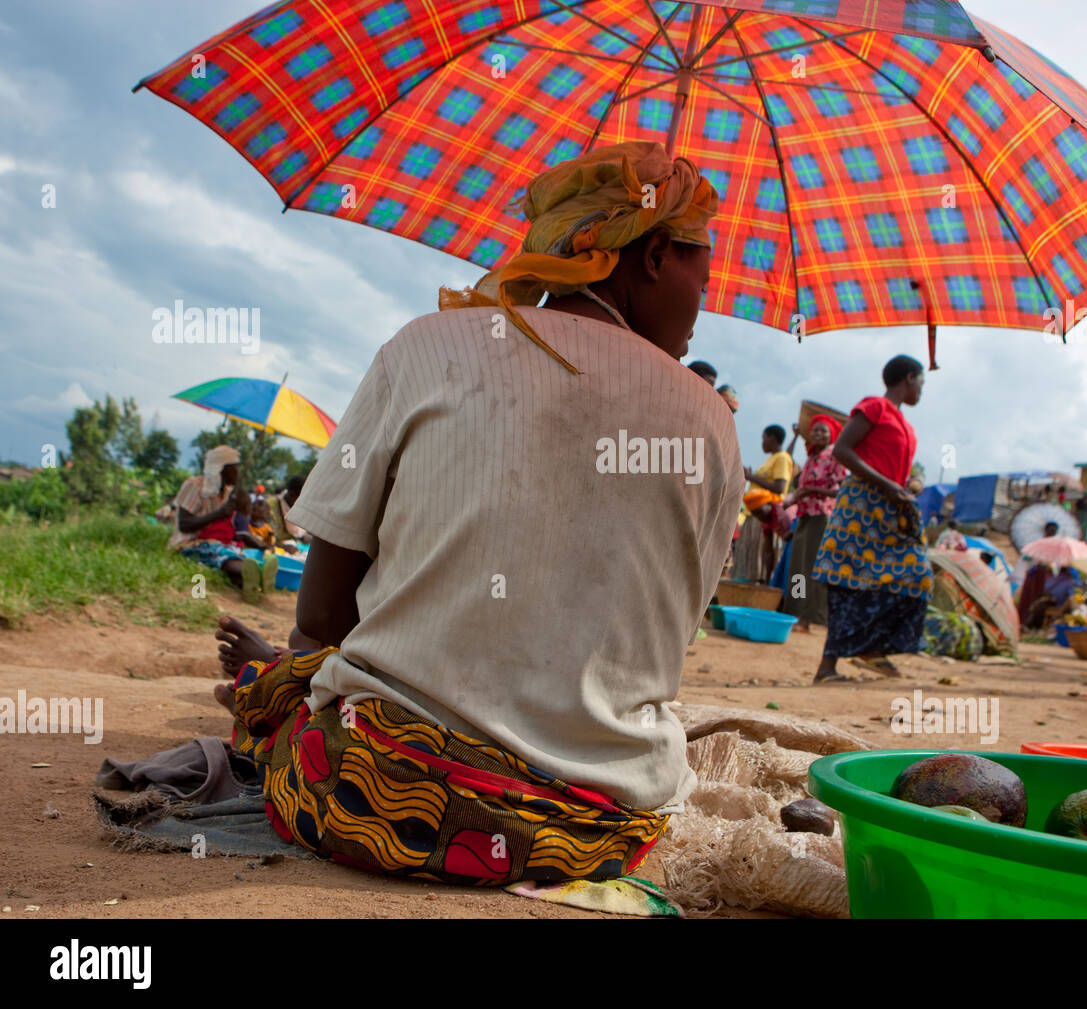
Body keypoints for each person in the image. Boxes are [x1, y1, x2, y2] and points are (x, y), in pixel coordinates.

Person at [214, 141, 743, 886]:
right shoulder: (713, 422)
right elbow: (662, 640)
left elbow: (325, 615)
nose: (703, 303)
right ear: (654, 254)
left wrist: (297, 671)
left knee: (284, 688)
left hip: (372, 794)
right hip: (596, 830)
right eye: (703, 274)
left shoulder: (425, 348)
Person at [811, 355, 931, 683]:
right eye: (921, 380)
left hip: (892, 510)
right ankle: (827, 667)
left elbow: (894, 468)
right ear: (909, 377)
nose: (922, 388)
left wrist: (908, 485)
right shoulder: (875, 407)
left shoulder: (906, 426)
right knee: (848, 581)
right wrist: (889, 484)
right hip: (861, 507)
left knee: (915, 576)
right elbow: (843, 450)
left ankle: (873, 649)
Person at [781, 414, 847, 631]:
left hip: (822, 516)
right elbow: (793, 470)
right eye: (815, 430)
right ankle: (795, 612)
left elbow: (841, 488)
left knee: (811, 567)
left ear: (832, 435)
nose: (818, 434)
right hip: (804, 515)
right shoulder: (811, 458)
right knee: (798, 568)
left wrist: (814, 490)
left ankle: (808, 618)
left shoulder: (834, 456)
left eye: (823, 431)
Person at [170, 445, 249, 592]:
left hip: (212, 542)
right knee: (221, 554)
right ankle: (251, 573)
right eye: (234, 468)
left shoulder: (226, 492)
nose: (237, 473)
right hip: (188, 543)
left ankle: (246, 579)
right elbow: (184, 524)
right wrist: (217, 514)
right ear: (222, 469)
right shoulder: (194, 485)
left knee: (232, 561)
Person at [743, 424, 795, 582]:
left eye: (763, 438)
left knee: (780, 548)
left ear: (772, 439)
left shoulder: (782, 458)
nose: (762, 442)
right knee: (767, 548)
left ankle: (776, 582)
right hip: (762, 511)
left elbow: (779, 488)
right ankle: (766, 581)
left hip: (773, 509)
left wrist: (751, 478)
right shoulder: (772, 459)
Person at [265, 474, 307, 551]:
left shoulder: (298, 510)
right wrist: (282, 546)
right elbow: (264, 537)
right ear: (292, 494)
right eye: (302, 498)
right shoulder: (269, 506)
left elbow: (298, 533)